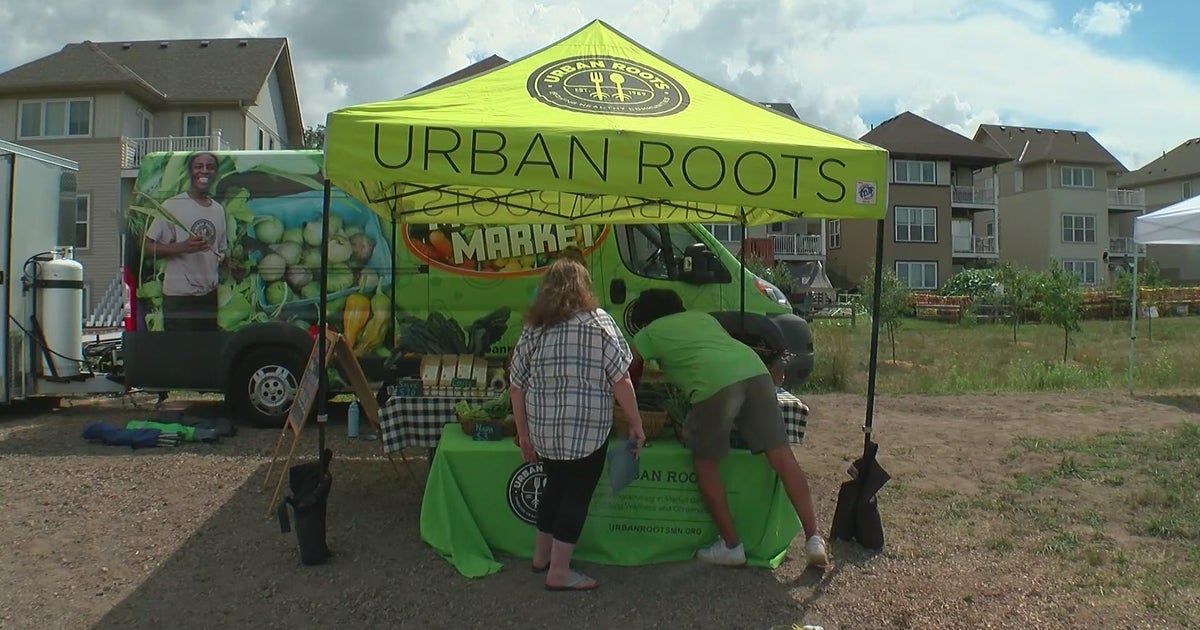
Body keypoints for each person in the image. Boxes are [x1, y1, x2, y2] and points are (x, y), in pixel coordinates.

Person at [627, 288, 829, 568]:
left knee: (705, 464)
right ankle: (814, 538)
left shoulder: (647, 334)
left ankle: (731, 545)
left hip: (715, 384)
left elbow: (630, 373)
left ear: (644, 318)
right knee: (782, 457)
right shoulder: (703, 318)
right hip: (755, 372)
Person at [508, 259, 645, 591]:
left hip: (546, 432)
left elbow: (516, 384)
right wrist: (636, 422)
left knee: (554, 488)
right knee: (576, 496)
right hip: (587, 430)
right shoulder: (599, 323)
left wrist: (523, 434)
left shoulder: (534, 327)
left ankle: (541, 558)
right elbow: (621, 378)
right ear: (584, 287)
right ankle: (559, 571)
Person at [143, 151, 228, 331]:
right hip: (179, 298)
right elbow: (147, 247)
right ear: (190, 172)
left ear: (215, 173)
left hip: (208, 297)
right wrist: (182, 247)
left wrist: (230, 265)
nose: (204, 171)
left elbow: (218, 251)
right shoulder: (172, 205)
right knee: (180, 352)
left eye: (210, 167)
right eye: (199, 166)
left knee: (204, 351)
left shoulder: (219, 210)